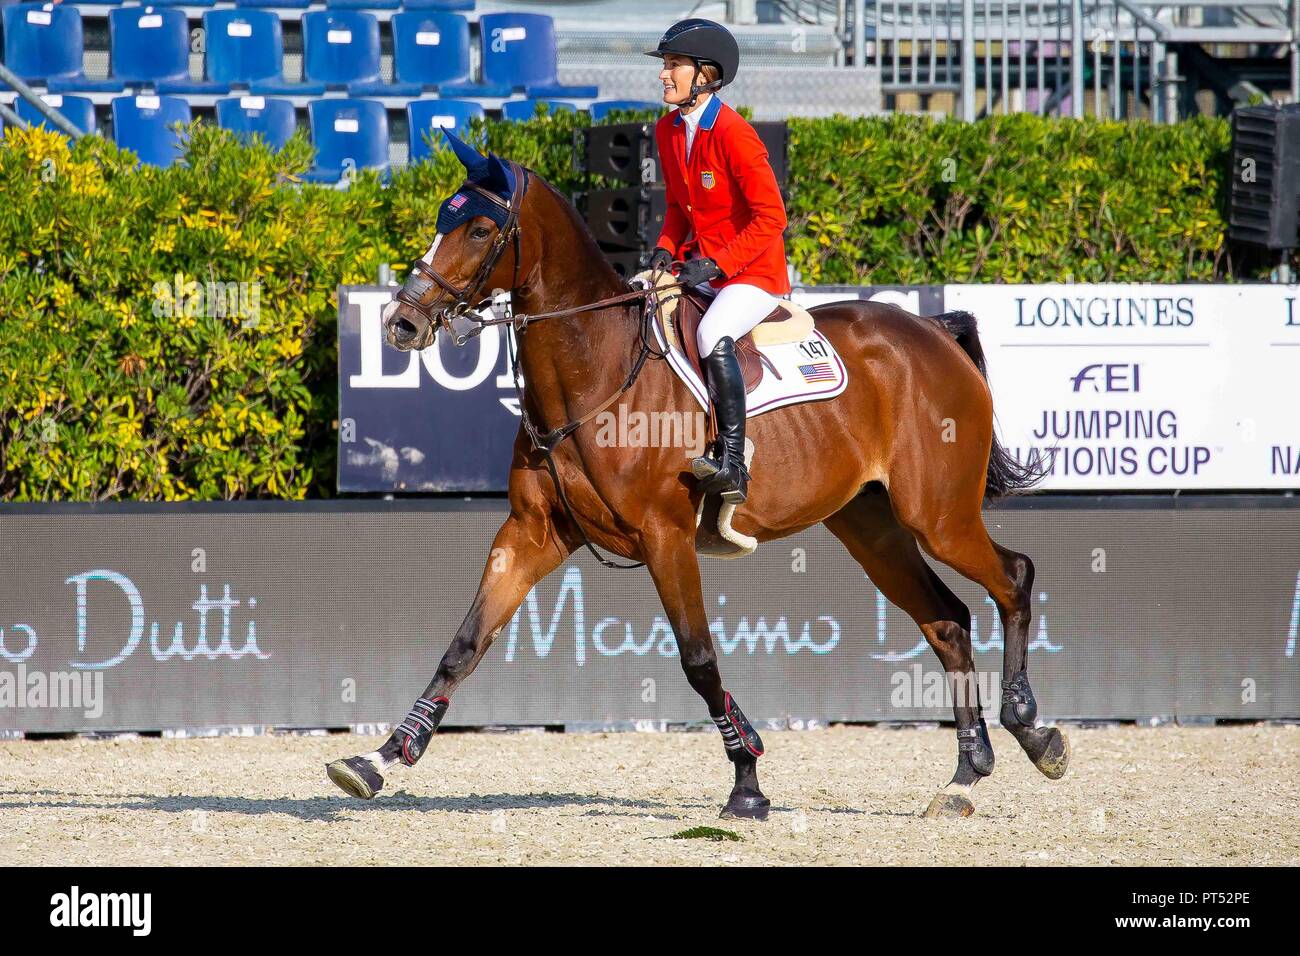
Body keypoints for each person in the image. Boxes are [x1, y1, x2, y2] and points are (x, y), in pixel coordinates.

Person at [644, 18, 790, 505]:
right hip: (702, 266)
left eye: (674, 66)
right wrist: (666, 248)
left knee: (710, 334)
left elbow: (773, 218)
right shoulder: (668, 130)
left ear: (705, 74)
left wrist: (718, 264)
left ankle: (733, 463)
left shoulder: (734, 133)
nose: (664, 75)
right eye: (665, 66)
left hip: (754, 274)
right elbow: (676, 206)